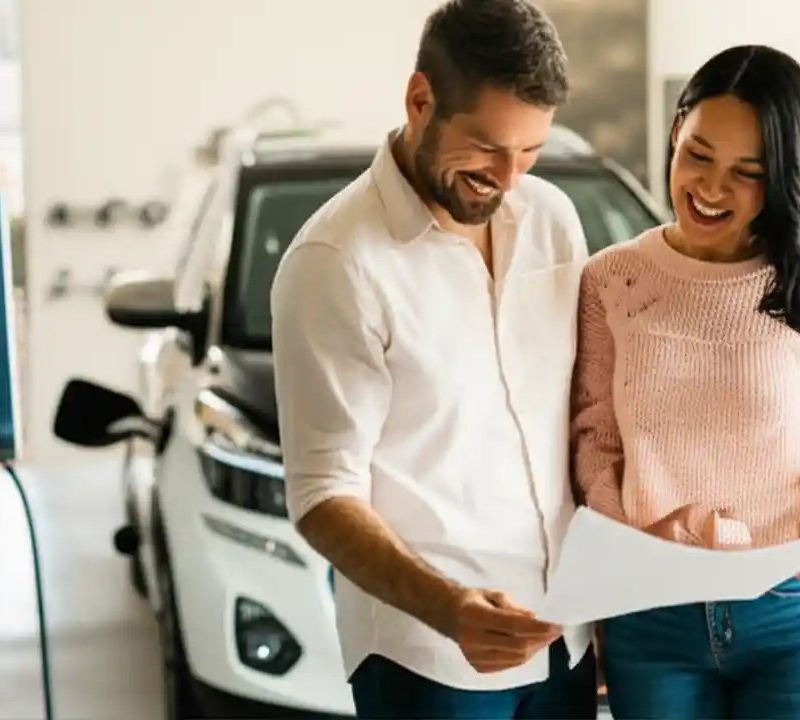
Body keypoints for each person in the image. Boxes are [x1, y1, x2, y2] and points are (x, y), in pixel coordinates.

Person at [270, 1, 597, 718]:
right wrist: (451, 611)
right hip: (428, 658)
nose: (508, 178)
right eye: (486, 148)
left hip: (564, 637)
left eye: (531, 152)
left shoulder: (551, 220)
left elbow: (579, 419)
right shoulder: (336, 263)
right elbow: (322, 494)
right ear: (420, 101)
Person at [571, 44, 800, 720]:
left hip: (795, 613)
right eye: (698, 156)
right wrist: (636, 540)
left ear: (785, 177)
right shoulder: (611, 281)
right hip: (652, 616)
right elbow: (594, 442)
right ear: (675, 133)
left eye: (747, 173)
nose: (711, 189)